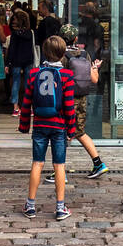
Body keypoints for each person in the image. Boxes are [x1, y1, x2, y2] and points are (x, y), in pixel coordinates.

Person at [18, 34, 76, 221]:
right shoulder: (67, 75)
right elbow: (69, 105)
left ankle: (31, 205)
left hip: (40, 125)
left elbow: (26, 102)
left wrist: (24, 124)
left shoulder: (34, 74)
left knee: (37, 163)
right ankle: (60, 207)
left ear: (44, 52)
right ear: (62, 54)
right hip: (59, 126)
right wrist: (72, 129)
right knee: (59, 165)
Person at [60, 21, 109, 178]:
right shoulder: (84, 54)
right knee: (80, 132)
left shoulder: (61, 56)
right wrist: (95, 68)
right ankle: (98, 163)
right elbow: (94, 80)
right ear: (75, 39)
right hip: (82, 99)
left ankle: (60, 171)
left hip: (66, 100)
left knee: (61, 133)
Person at [5, 8, 36, 116]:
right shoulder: (30, 33)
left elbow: (12, 49)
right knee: (29, 84)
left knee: (16, 83)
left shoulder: (14, 34)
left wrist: (8, 63)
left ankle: (15, 108)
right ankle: (29, 107)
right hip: (28, 60)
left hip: (16, 61)